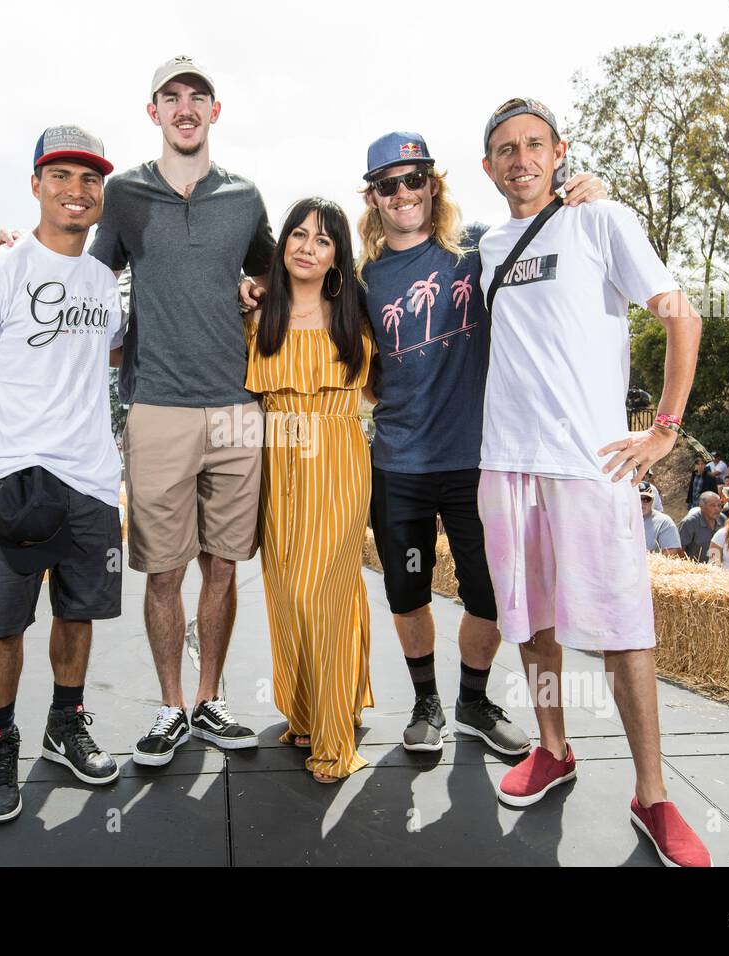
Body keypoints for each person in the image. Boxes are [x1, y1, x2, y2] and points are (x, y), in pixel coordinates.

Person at [240, 132, 601, 756]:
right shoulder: (357, 281)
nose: (403, 193)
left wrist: (584, 189)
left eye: (414, 179)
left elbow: (543, 218)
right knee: (407, 592)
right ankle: (426, 703)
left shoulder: (482, 249)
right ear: (373, 198)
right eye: (388, 184)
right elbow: (307, 301)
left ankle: (475, 701)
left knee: (487, 596)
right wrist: (255, 287)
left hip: (477, 460)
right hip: (398, 465)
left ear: (434, 185)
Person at [475, 97, 709, 865]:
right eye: (506, 149)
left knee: (624, 634)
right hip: (508, 462)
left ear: (560, 151)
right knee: (535, 626)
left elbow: (683, 316)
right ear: (489, 166)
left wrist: (664, 430)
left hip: (592, 463)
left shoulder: (603, 220)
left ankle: (653, 794)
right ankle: (553, 748)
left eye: (534, 145)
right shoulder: (485, 247)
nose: (521, 160)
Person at [81, 56, 276, 765]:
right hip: (156, 406)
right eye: (173, 97)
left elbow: (272, 270)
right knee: (164, 572)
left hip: (235, 408)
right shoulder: (124, 194)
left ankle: (208, 698)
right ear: (153, 111)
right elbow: (85, 278)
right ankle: (169, 708)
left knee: (222, 568)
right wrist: (21, 252)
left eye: (199, 96)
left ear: (214, 112)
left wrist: (254, 289)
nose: (186, 107)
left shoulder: (246, 196)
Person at [0, 123, 127, 823]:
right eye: (62, 176)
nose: (77, 191)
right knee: (4, 625)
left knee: (78, 614)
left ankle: (65, 724)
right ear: (37, 184)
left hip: (94, 480)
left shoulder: (105, 280)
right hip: (16, 473)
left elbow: (103, 356)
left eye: (90, 179)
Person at [244, 198, 375, 783]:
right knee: (287, 596)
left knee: (326, 594)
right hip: (278, 463)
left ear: (336, 257)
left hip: (341, 461)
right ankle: (308, 708)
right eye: (297, 235)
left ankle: (333, 737)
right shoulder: (255, 316)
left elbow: (383, 390)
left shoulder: (355, 315)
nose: (306, 247)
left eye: (322, 241)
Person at [640, 482, 682, 557]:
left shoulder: (664, 523)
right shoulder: (620, 520)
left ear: (652, 500)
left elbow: (670, 556)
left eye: (646, 499)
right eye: (637, 499)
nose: (641, 503)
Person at [678, 491, 722, 561]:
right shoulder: (689, 523)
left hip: (716, 567)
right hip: (694, 568)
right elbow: (679, 550)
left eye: (719, 505)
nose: (717, 509)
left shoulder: (723, 520)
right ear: (702, 507)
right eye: (712, 505)